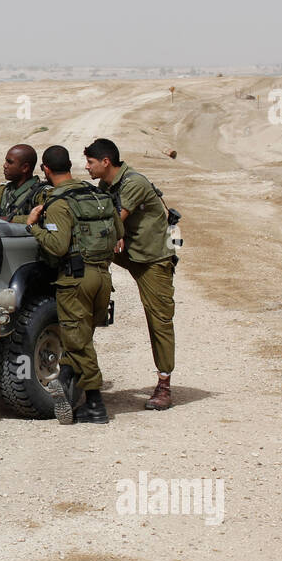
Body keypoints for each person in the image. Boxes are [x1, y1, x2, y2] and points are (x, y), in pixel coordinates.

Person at [24, 145, 124, 425]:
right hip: (103, 278)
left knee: (78, 342)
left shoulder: (59, 202)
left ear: (45, 169)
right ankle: (65, 378)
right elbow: (119, 231)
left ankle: (95, 405)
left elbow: (57, 246)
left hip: (75, 281)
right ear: (70, 165)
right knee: (80, 337)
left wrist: (33, 226)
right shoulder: (97, 193)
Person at [84, 138, 177, 410]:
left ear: (106, 162)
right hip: (128, 251)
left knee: (159, 318)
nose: (87, 168)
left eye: (90, 162)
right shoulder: (106, 184)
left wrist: (115, 231)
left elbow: (111, 220)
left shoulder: (133, 183)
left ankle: (164, 384)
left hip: (152, 258)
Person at [0, 144, 47, 221]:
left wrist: (11, 220)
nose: (5, 166)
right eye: (6, 161)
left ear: (25, 168)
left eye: (10, 162)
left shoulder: (41, 194)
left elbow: (45, 219)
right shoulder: (1, 191)